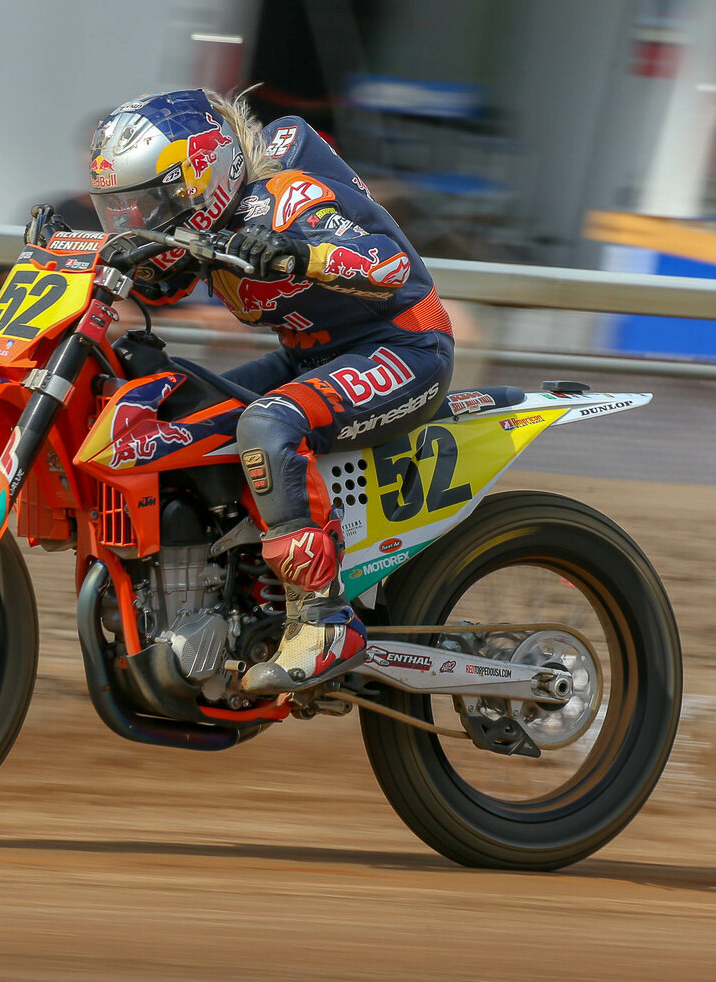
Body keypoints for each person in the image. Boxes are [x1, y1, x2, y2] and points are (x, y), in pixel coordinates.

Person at [29, 88, 453, 694]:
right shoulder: (204, 223)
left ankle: (325, 619)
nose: (135, 222)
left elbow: (391, 266)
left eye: (146, 204)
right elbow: (162, 287)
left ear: (199, 182)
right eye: (118, 210)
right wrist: (65, 245)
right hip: (309, 353)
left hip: (403, 346)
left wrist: (299, 252)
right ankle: (229, 584)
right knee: (166, 401)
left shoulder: (285, 203)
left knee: (267, 424)